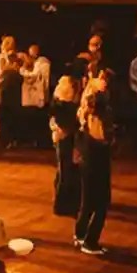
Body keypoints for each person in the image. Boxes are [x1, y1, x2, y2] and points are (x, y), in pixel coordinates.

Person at [75, 68, 115, 255]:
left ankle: (80, 235)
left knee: (86, 200)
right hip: (98, 160)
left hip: (87, 158)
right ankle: (90, 242)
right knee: (101, 203)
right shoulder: (103, 117)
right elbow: (106, 138)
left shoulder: (84, 121)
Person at [49, 75, 83, 216]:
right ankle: (63, 205)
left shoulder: (60, 104)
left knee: (65, 171)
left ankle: (65, 204)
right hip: (65, 140)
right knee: (65, 171)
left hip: (64, 140)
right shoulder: (63, 106)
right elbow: (65, 125)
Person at [21, 45, 51, 146]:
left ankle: (38, 141)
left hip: (39, 97)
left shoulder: (41, 62)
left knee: (37, 119)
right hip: (42, 96)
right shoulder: (43, 62)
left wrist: (22, 70)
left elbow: (34, 76)